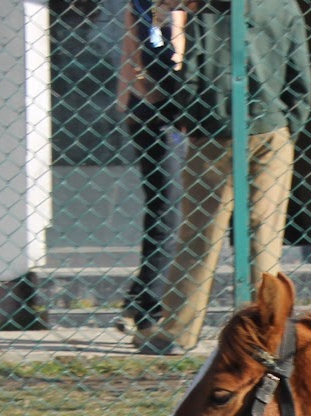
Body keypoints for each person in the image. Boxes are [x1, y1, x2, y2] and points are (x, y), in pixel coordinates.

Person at [134, 0, 311, 355]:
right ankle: (265, 334)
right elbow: (300, 76)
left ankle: (177, 332)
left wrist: (191, 117)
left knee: (199, 236)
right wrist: (288, 125)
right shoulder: (283, 6)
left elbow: (193, 70)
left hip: (216, 129)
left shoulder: (210, 10)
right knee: (265, 236)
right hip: (271, 128)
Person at [116, 0, 184, 338]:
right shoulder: (155, 7)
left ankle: (141, 299)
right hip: (161, 115)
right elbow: (151, 53)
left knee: (169, 208)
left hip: (164, 112)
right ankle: (148, 306)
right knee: (169, 209)